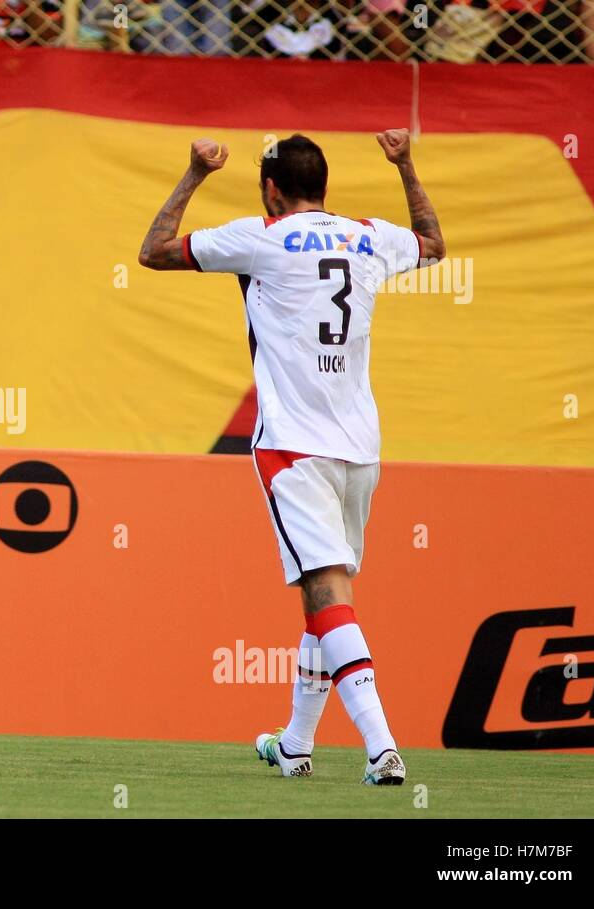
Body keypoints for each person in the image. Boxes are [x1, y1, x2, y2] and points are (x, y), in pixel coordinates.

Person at [138, 131, 445, 784]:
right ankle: (296, 743)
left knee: (327, 591)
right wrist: (407, 166)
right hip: (360, 447)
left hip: (293, 445)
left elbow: (155, 251)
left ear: (271, 190)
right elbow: (432, 243)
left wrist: (194, 174)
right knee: (321, 591)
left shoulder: (262, 236)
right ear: (323, 186)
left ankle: (382, 746)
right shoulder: (368, 236)